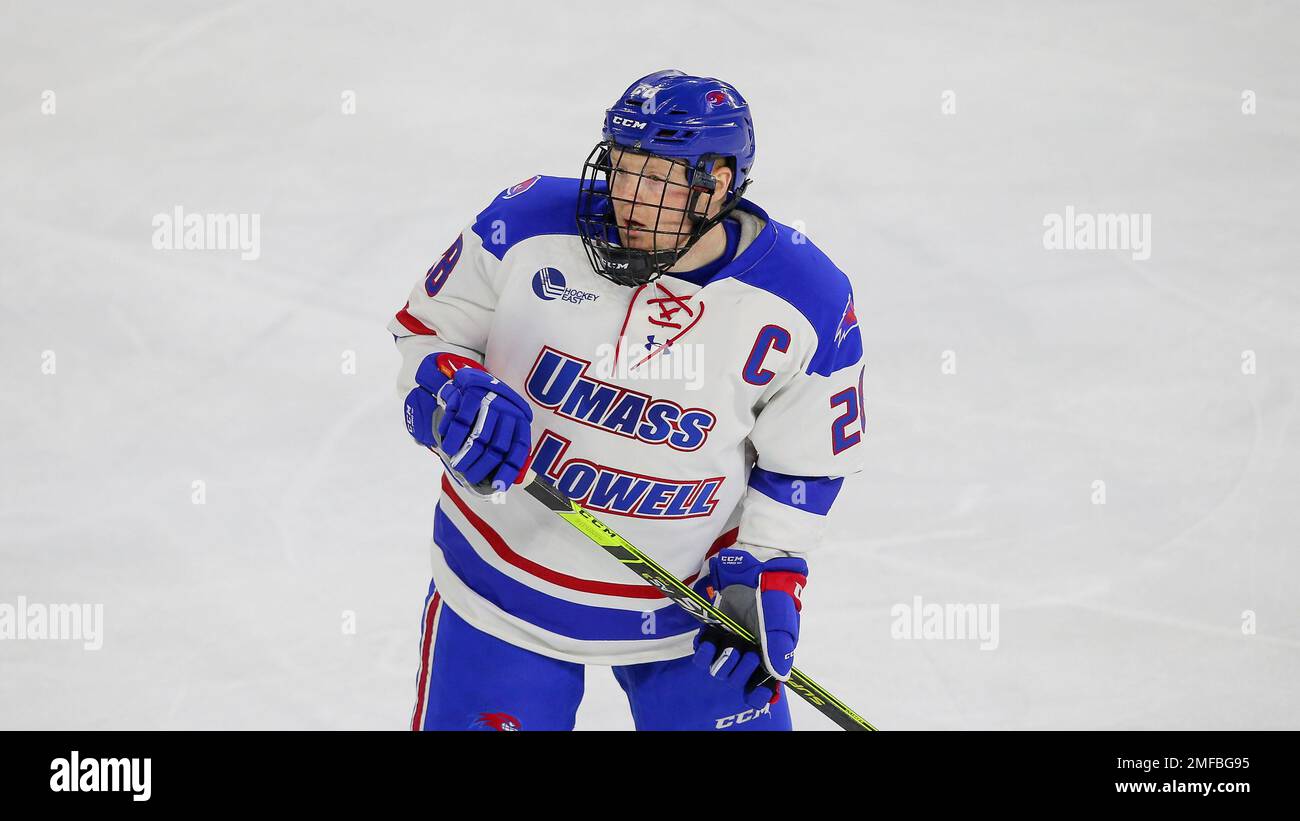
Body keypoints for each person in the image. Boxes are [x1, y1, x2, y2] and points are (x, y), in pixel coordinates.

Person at [389, 69, 865, 730]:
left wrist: (763, 563)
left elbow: (806, 459)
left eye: (656, 179)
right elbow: (429, 334)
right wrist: (448, 395)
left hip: (695, 611)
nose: (627, 198)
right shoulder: (524, 225)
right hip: (501, 589)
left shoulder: (805, 299)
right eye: (619, 168)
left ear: (716, 184)